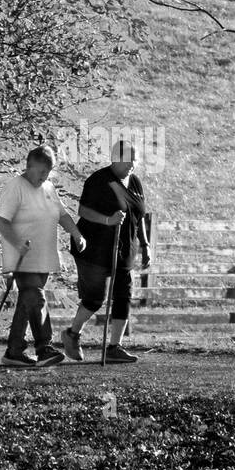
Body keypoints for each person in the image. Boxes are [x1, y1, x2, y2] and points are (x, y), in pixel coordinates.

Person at [61, 139, 151, 364]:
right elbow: (83, 210)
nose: (133, 164)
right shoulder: (99, 180)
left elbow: (138, 217)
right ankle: (72, 334)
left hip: (125, 247)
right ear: (115, 158)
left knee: (124, 296)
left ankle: (114, 346)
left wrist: (145, 244)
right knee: (95, 298)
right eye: (129, 159)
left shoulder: (136, 182)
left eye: (135, 159)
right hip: (94, 248)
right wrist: (108, 220)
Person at [0, 145, 85, 368]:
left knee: (30, 302)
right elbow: (1, 221)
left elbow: (62, 214)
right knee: (35, 297)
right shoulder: (15, 187)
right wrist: (17, 243)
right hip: (22, 256)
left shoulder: (48, 187)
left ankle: (14, 351)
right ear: (29, 166)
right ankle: (44, 347)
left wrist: (76, 234)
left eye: (48, 172)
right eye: (42, 171)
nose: (45, 176)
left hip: (43, 257)